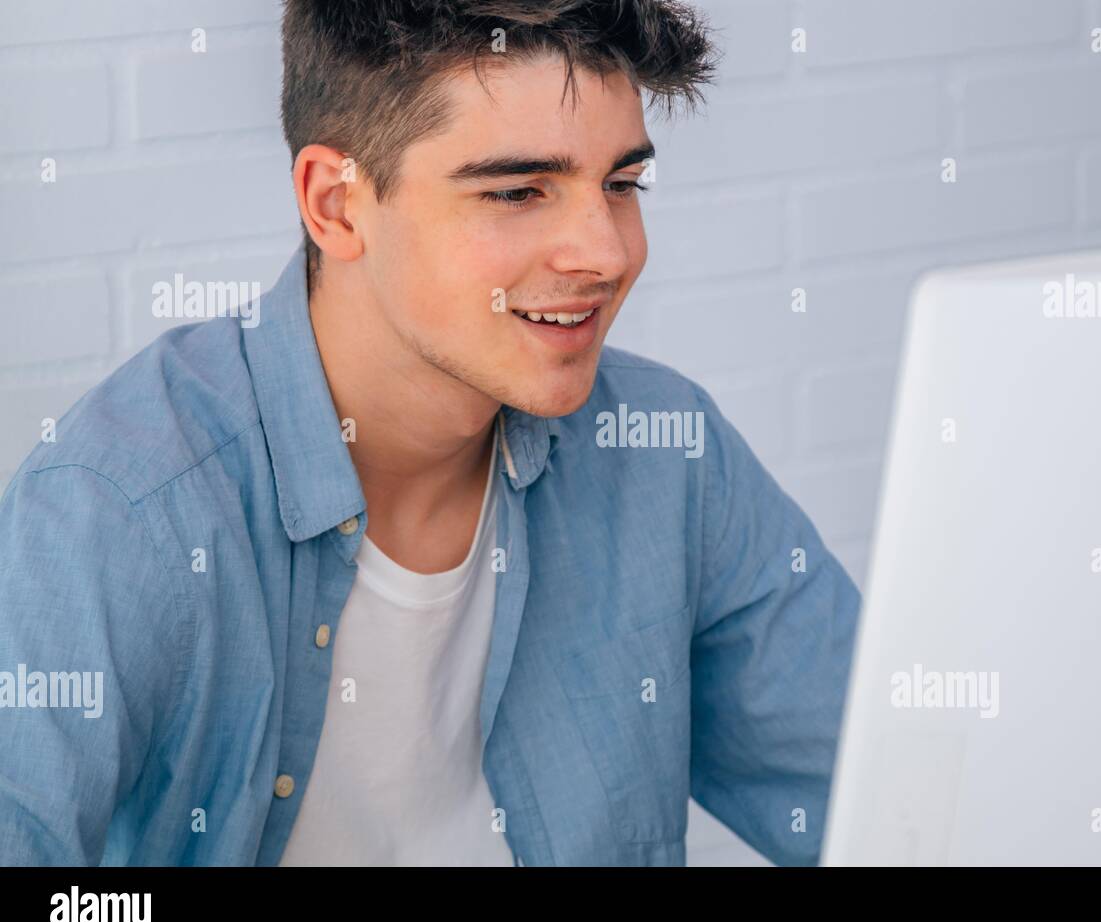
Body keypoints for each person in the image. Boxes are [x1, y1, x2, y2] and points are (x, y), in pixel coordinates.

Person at [0, 0, 861, 866]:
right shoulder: (115, 509)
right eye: (518, 191)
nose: (605, 252)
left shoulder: (665, 454)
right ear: (337, 205)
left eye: (622, 184)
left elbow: (889, 789)